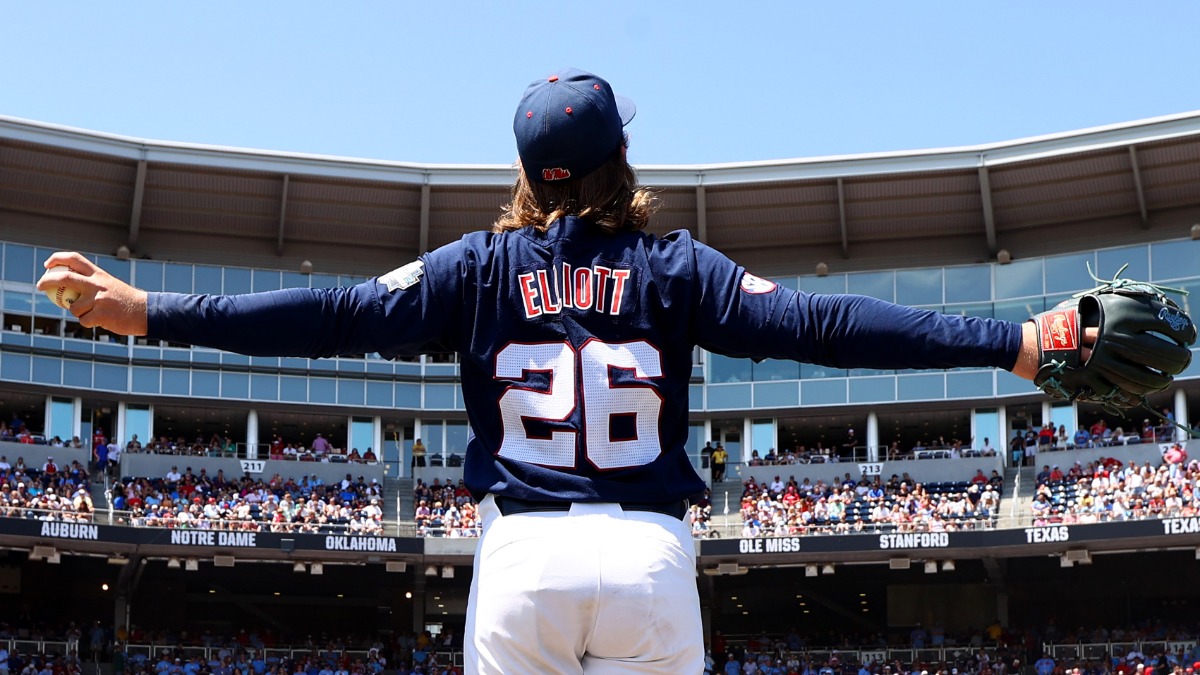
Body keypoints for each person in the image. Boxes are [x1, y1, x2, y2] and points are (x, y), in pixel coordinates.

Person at [37, 67, 1112, 675]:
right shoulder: (676, 265)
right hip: (647, 558)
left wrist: (153, 310)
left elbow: (333, 314)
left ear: (526, 176)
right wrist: (1010, 343)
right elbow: (831, 324)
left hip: (522, 563)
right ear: (620, 163)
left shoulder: (479, 266)